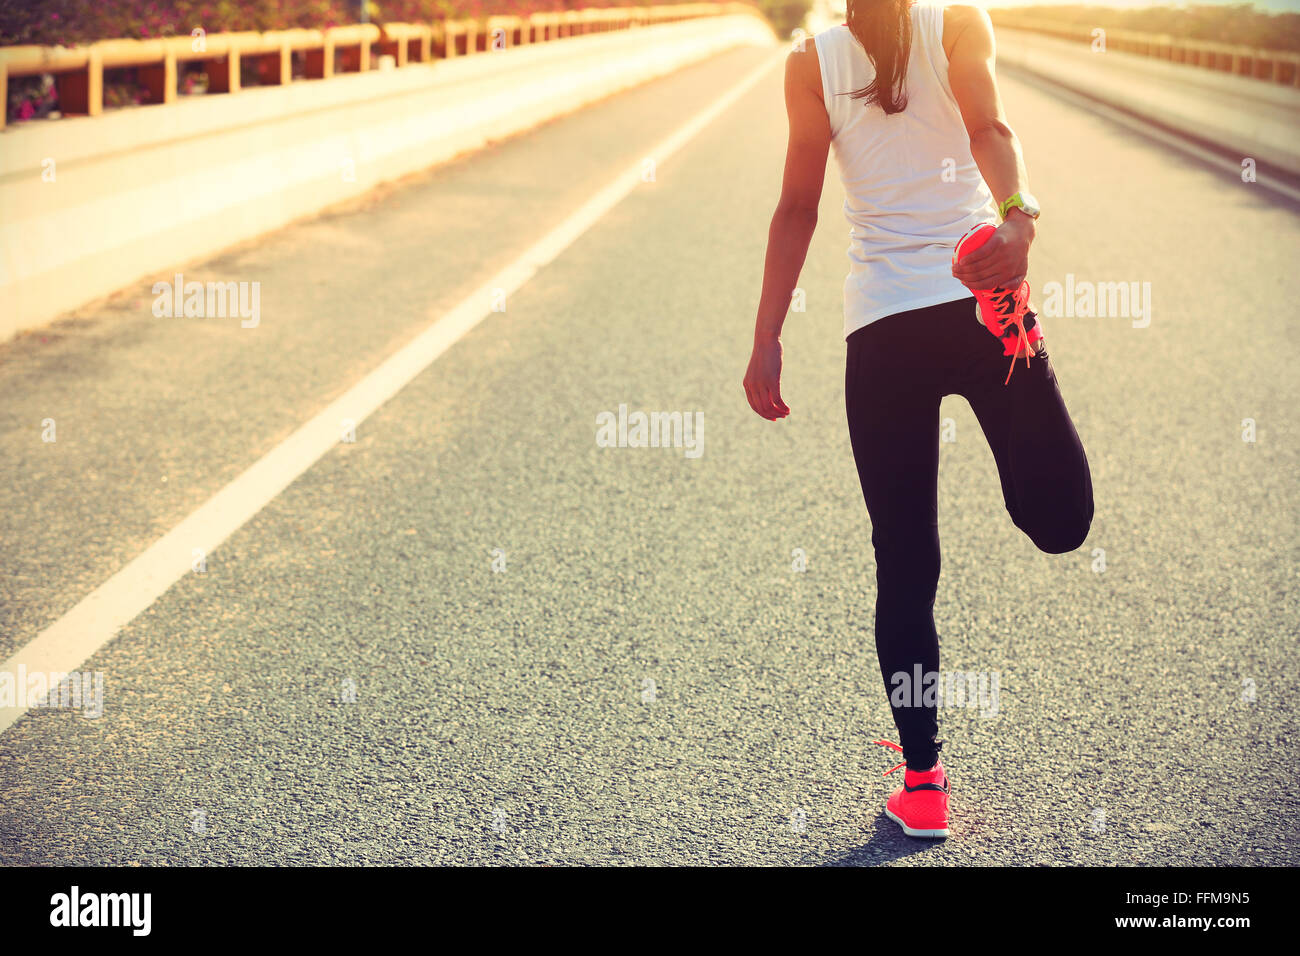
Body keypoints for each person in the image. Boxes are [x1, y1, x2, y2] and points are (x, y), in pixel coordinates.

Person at [742, 0, 1094, 838]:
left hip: (883, 326)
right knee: (1062, 523)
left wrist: (766, 338)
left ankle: (924, 784)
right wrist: (1017, 218)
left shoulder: (809, 63)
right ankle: (1022, 340)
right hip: (977, 301)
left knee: (905, 560)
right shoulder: (959, 23)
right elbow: (991, 127)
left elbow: (798, 208)